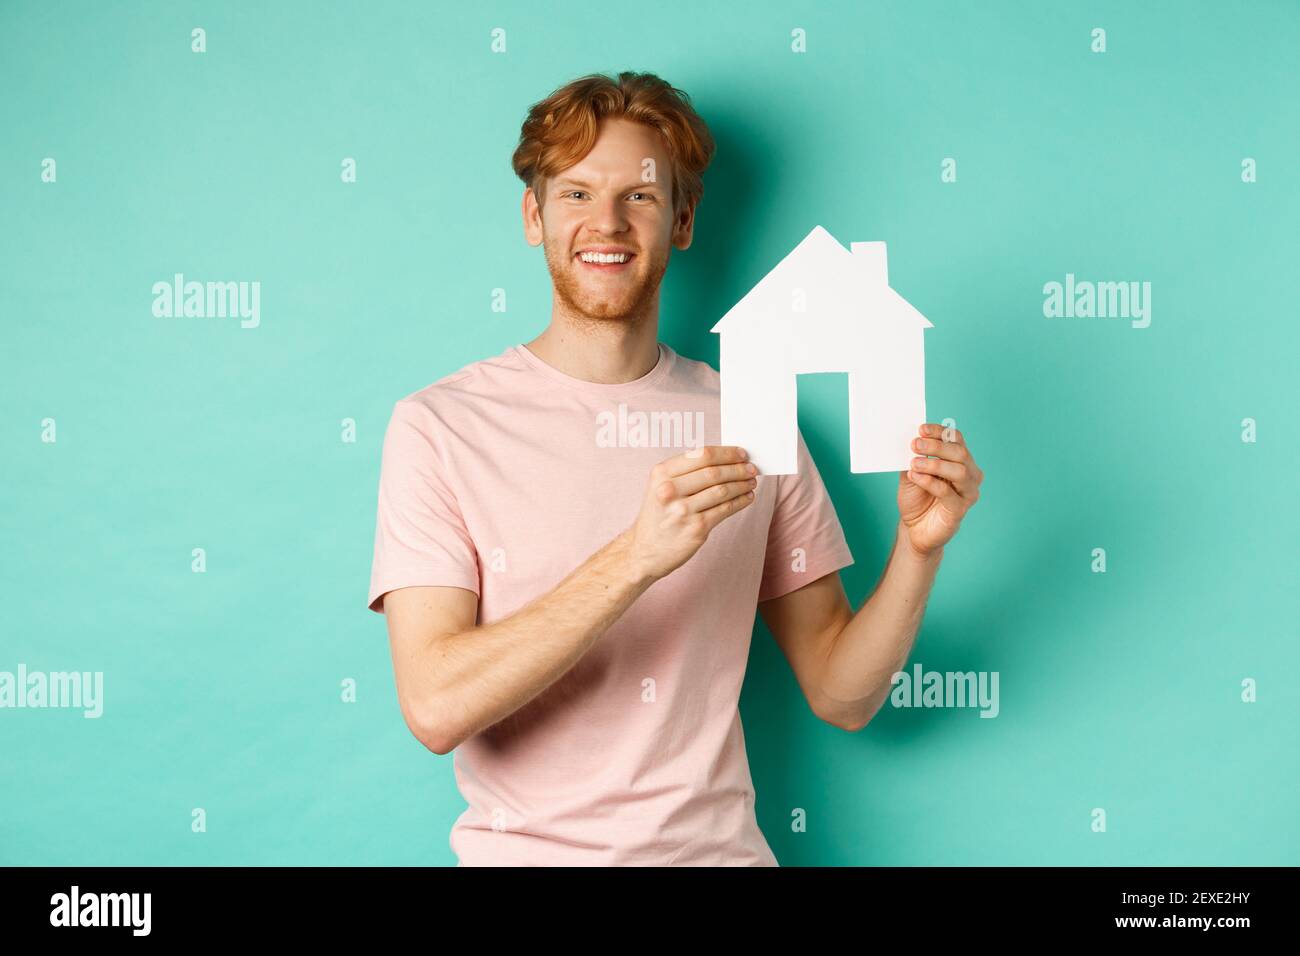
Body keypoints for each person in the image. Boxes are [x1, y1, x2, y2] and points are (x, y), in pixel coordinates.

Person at [366, 70, 983, 866]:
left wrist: (919, 550)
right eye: (578, 194)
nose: (608, 223)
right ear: (534, 215)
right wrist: (635, 557)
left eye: (642, 196)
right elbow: (435, 705)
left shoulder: (754, 419)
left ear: (683, 220)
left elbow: (841, 693)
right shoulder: (440, 427)